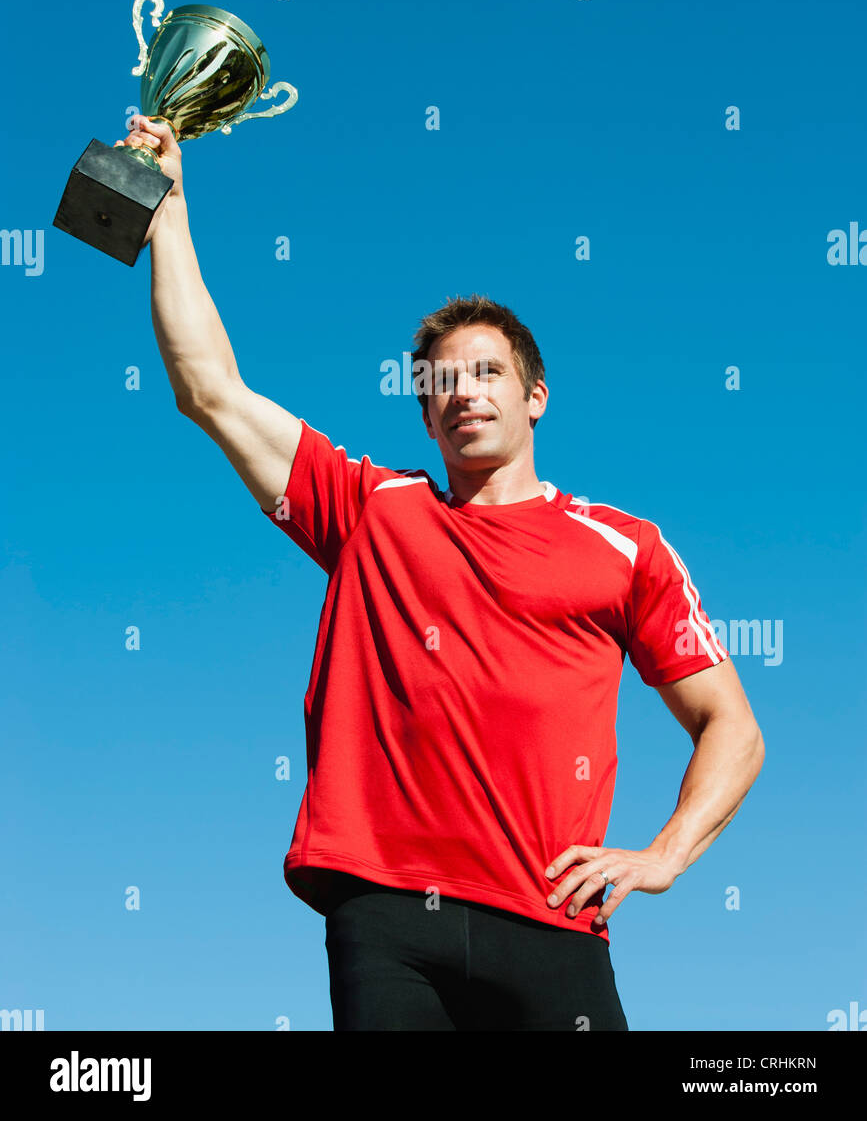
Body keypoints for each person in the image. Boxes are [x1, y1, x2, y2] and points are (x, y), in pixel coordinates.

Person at [118, 114, 765, 1032]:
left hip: (555, 919)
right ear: (424, 415)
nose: (464, 392)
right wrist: (168, 216)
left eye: (487, 373)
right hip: (385, 911)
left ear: (533, 396)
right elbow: (209, 389)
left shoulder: (627, 546)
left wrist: (661, 856)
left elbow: (732, 729)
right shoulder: (369, 509)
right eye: (441, 382)